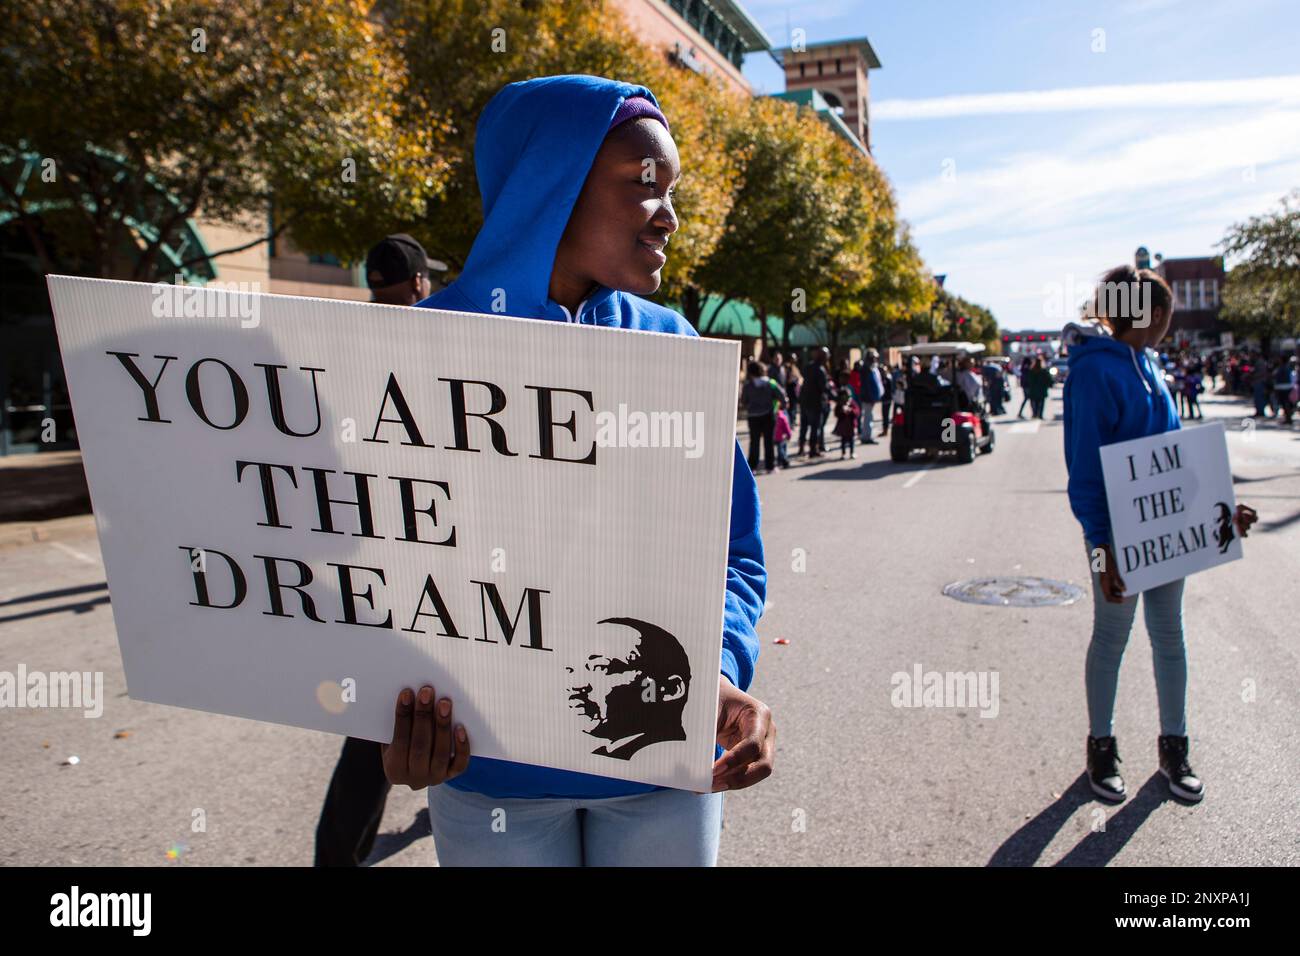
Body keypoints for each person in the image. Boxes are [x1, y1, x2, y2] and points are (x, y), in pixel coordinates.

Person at [381, 75, 775, 867]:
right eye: (643, 187)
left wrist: (719, 665)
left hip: (659, 767)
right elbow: (367, 570)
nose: (669, 214)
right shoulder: (413, 351)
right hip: (487, 776)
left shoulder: (675, 346)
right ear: (547, 184)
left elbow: (733, 552)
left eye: (673, 191)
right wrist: (385, 727)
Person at [1063, 265, 1257, 805]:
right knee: (1112, 638)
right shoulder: (1093, 373)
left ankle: (1175, 747)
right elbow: (1083, 471)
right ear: (1150, 314)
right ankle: (1101, 748)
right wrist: (1101, 551)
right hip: (1114, 536)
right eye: (1168, 311)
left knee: (1169, 637)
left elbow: (1176, 461)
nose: (1170, 321)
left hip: (1166, 531)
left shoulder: (1152, 365)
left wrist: (1220, 509)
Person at [313, 232, 438, 867]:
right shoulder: (443, 341)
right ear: (419, 282)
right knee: (448, 715)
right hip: (438, 574)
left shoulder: (341, 347)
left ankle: (335, 859)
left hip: (368, 580)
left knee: (371, 735)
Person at [741, 358, 783, 474]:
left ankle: (752, 467)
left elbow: (744, 401)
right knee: (769, 441)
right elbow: (781, 395)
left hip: (753, 416)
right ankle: (770, 466)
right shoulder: (770, 383)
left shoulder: (748, 386)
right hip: (768, 415)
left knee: (754, 442)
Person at [799, 348, 829, 457]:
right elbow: (823, 387)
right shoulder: (820, 369)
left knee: (804, 425)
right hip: (815, 402)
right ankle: (813, 449)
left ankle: (802, 447)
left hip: (805, 401)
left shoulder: (808, 366)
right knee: (815, 427)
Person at [854, 349, 884, 444]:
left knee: (869, 416)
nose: (875, 359)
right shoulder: (866, 369)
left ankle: (867, 435)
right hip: (867, 397)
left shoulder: (870, 368)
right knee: (868, 417)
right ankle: (866, 437)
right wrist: (871, 396)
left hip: (870, 397)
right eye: (873, 357)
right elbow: (867, 385)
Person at [832, 386, 860, 459]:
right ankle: (843, 453)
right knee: (843, 440)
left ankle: (852, 452)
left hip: (851, 425)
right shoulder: (840, 404)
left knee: (851, 440)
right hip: (843, 425)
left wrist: (851, 411)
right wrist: (842, 411)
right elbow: (836, 413)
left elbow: (857, 412)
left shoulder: (852, 403)